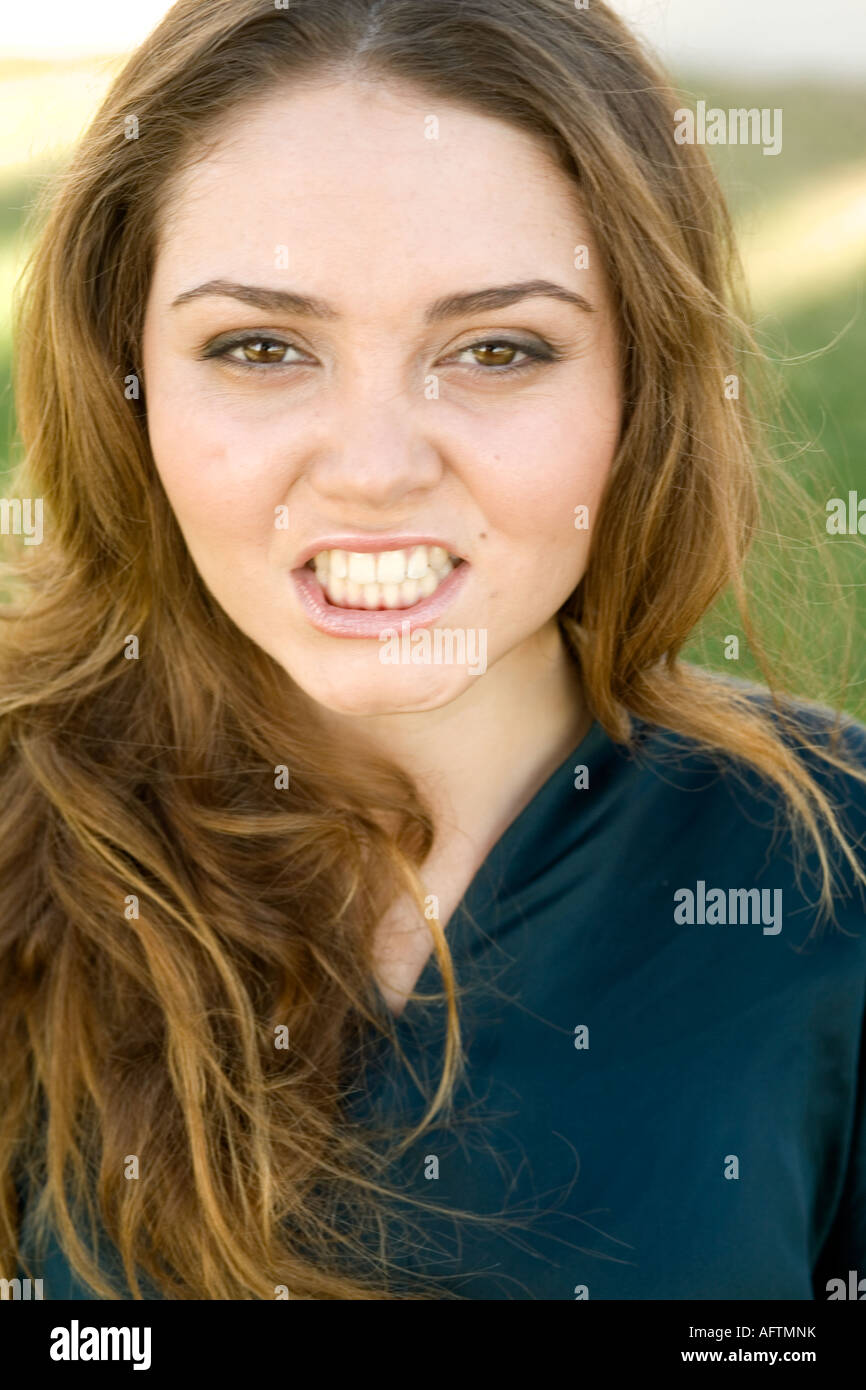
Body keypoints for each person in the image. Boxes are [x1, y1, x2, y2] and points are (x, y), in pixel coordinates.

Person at [3, 0, 865, 1302]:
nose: (374, 470)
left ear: (642, 385)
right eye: (259, 346)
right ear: (121, 378)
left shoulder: (828, 867)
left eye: (496, 348)